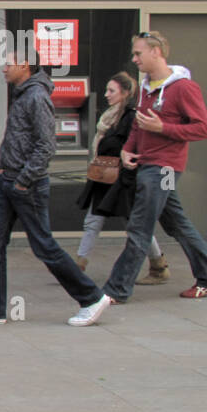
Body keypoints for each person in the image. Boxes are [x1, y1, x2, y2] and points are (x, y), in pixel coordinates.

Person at [0, 48, 111, 328]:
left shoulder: (37, 96)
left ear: (25, 66)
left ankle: (91, 298)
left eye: (9, 64)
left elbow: (46, 145)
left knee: (44, 247)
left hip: (25, 185)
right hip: (7, 181)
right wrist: (5, 172)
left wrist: (23, 180)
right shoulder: (23, 94)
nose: (4, 68)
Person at [103, 32, 207, 303]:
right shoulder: (146, 85)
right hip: (147, 164)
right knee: (177, 223)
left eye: (138, 53)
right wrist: (128, 147)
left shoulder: (184, 88)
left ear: (156, 52)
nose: (134, 59)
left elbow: (203, 129)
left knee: (140, 227)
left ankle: (116, 290)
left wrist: (162, 127)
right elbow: (137, 123)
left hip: (164, 169)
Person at [74, 71, 166, 278]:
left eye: (111, 91)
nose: (106, 94)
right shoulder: (111, 116)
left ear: (125, 93)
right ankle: (79, 263)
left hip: (121, 178)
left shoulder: (130, 116)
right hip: (104, 176)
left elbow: (130, 147)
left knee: (134, 222)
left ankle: (158, 264)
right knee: (94, 221)